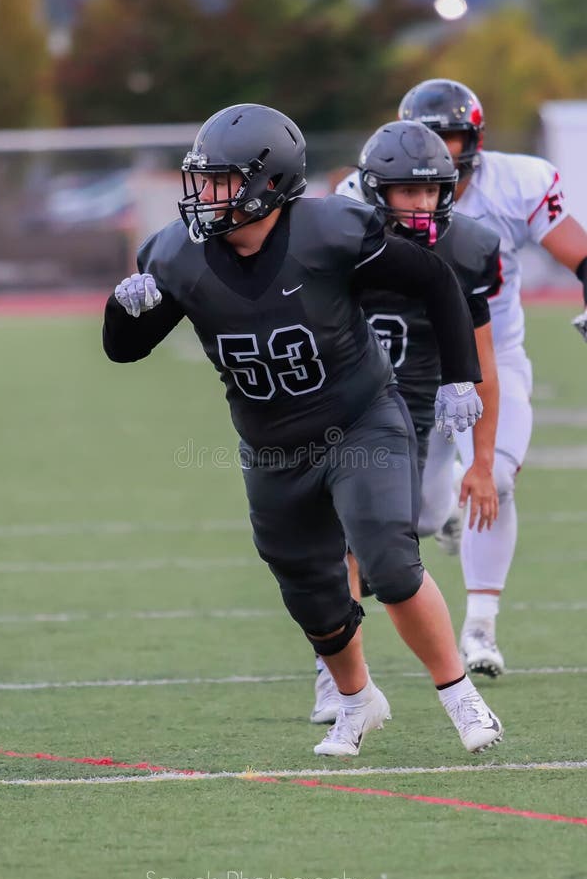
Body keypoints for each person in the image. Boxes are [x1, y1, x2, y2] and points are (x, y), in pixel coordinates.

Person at [103, 102, 503, 757]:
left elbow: (433, 277)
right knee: (311, 592)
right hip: (271, 448)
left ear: (267, 183)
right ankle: (356, 702)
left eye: (222, 180)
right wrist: (122, 312)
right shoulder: (176, 253)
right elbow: (125, 349)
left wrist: (459, 375)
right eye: (204, 178)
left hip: (360, 419)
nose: (206, 194)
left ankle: (460, 695)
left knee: (388, 559)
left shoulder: (329, 230)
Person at [310, 119, 501, 725]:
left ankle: (438, 512)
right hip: (353, 405)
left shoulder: (465, 246)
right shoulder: (339, 236)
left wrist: (483, 458)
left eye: (432, 191)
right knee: (353, 537)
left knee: (413, 522)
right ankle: (336, 679)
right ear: (373, 190)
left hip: (426, 402)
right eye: (406, 191)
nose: (422, 204)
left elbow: (484, 360)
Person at [398, 78, 587, 677]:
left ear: (473, 137)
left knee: (496, 476)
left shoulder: (517, 183)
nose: (443, 154)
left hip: (490, 356)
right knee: (423, 519)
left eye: (452, 137)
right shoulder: (372, 188)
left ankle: (480, 625)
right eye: (431, 139)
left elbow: (580, 253)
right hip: (410, 365)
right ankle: (448, 502)